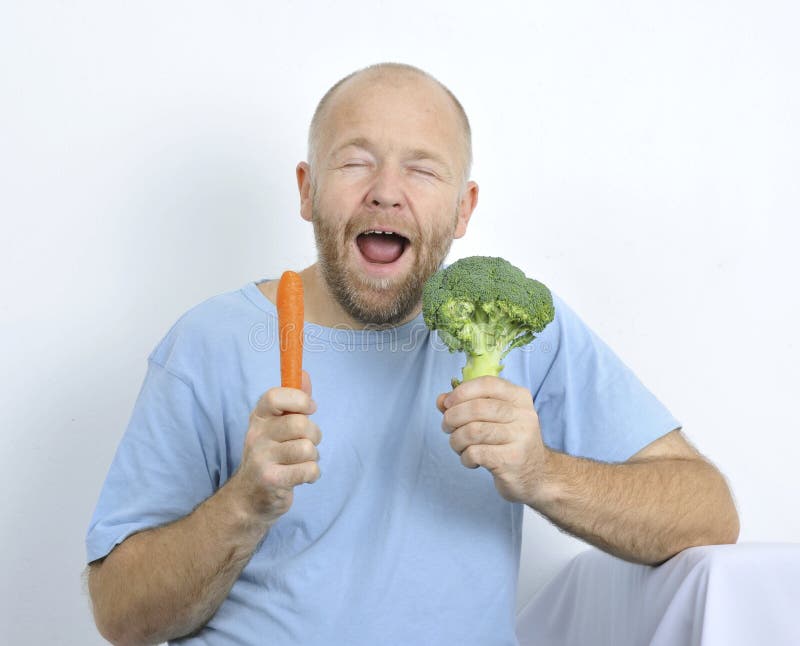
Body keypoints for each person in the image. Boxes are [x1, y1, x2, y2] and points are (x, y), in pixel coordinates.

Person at [85, 62, 739, 645]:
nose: (387, 191)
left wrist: (543, 474)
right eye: (355, 160)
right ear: (307, 190)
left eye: (423, 169)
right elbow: (121, 613)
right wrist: (244, 504)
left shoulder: (523, 333)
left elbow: (707, 510)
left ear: (464, 208)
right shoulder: (208, 343)